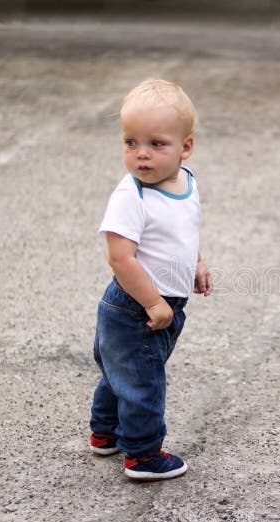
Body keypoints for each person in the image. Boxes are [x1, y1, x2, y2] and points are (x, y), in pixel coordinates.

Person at [88, 79, 213, 481]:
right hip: (134, 306)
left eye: (156, 144)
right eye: (131, 142)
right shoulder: (132, 196)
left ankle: (106, 433)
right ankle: (142, 455)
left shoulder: (187, 182)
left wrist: (196, 263)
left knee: (123, 373)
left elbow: (183, 231)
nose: (141, 153)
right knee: (143, 380)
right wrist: (154, 303)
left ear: (185, 147)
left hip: (162, 303)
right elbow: (120, 257)